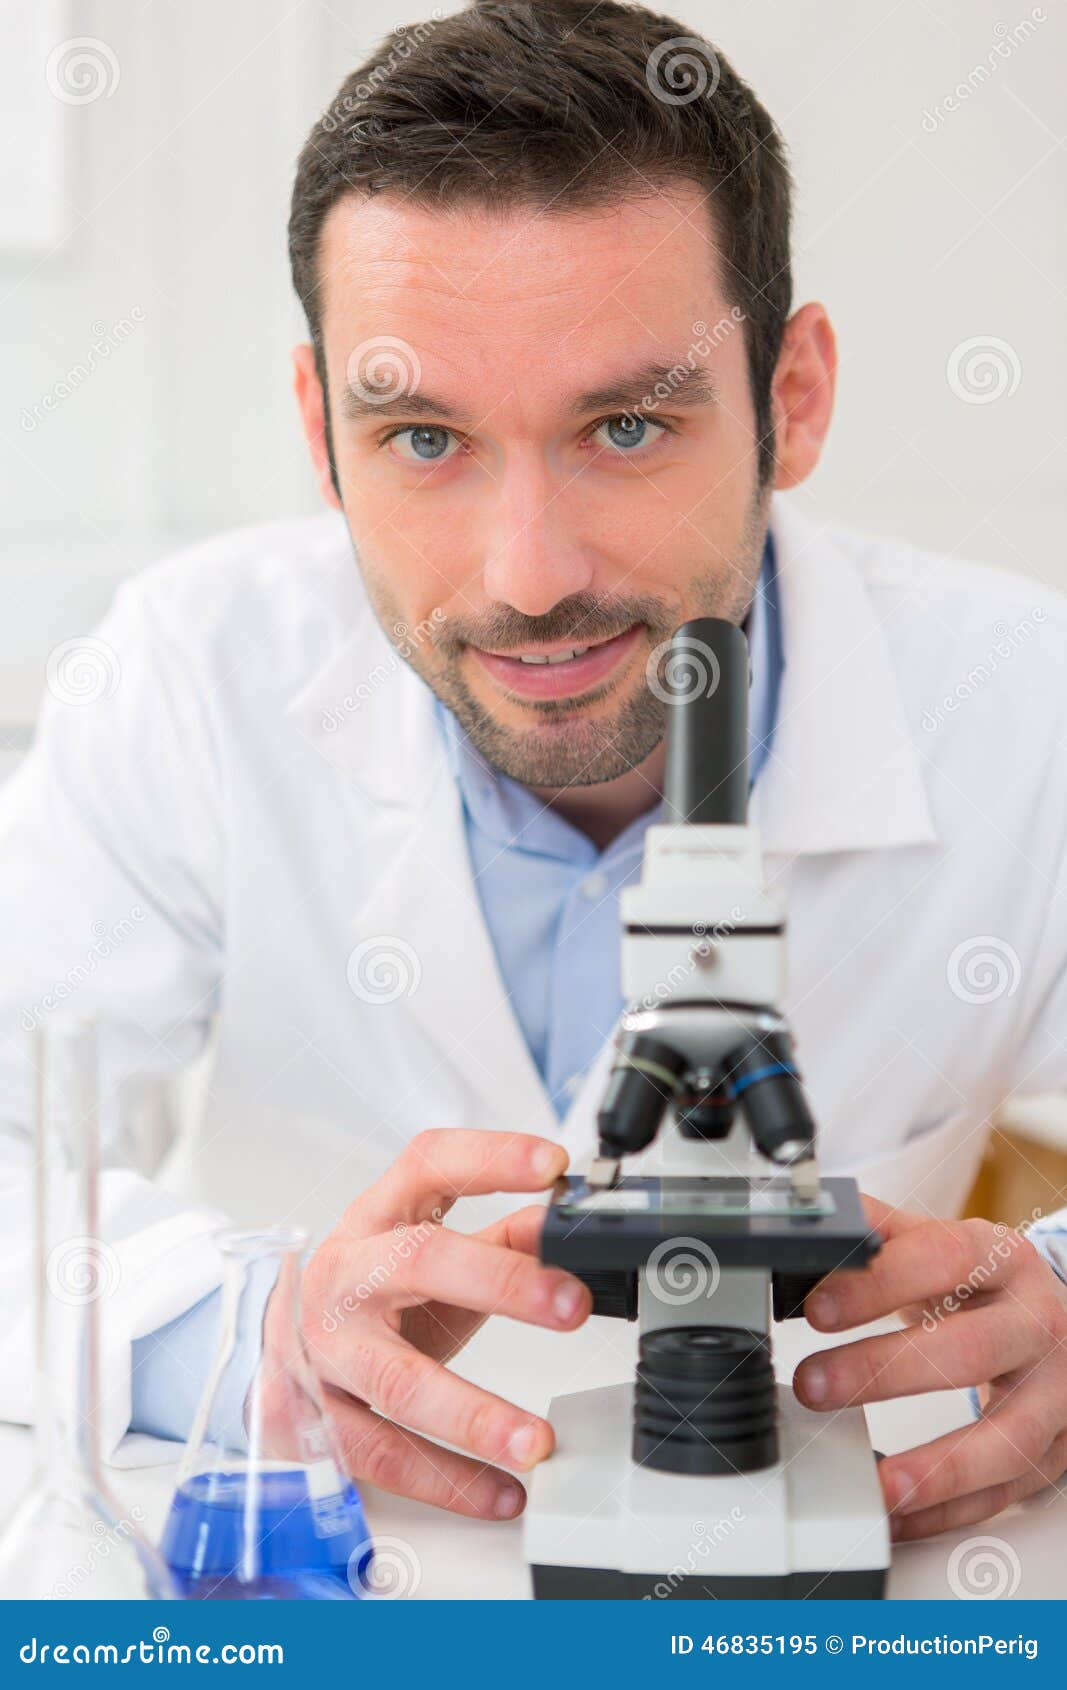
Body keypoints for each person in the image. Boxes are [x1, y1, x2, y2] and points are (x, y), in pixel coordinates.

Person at [2, 0, 1066, 1547]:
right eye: (425, 436)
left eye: (626, 424)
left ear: (794, 398)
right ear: (321, 430)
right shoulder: (187, 673)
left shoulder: (1022, 702)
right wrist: (244, 1332)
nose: (530, 574)